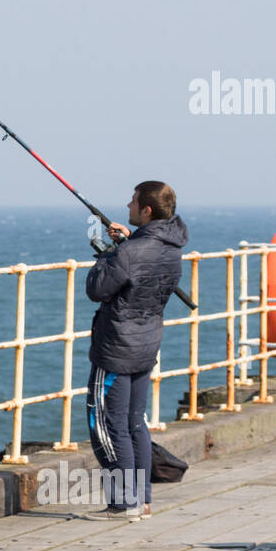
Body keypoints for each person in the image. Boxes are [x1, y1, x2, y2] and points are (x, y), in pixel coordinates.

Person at [82, 181, 188, 521]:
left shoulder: (129, 252)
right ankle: (141, 499)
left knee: (107, 424)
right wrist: (128, 242)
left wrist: (110, 254)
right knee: (134, 423)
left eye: (133, 201)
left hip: (116, 347)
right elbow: (141, 273)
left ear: (146, 210)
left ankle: (122, 502)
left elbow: (97, 288)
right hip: (146, 343)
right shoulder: (172, 248)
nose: (127, 205)